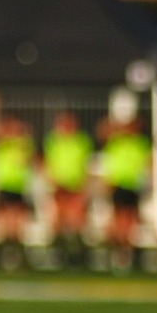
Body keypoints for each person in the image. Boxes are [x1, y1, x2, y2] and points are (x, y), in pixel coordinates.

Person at [43, 111, 94, 266]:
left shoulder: (82, 141)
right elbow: (48, 163)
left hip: (76, 187)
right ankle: (56, 254)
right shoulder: (52, 141)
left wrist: (83, 186)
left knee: (77, 221)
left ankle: (78, 255)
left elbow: (86, 165)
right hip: (59, 188)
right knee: (57, 221)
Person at [0, 117, 36, 269]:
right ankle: (1, 254)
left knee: (17, 224)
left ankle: (17, 255)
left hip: (18, 187)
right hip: (3, 186)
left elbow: (29, 154)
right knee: (1, 223)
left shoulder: (22, 145)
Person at [100, 117, 151, 270]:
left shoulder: (140, 145)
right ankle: (117, 249)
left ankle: (126, 251)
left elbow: (146, 163)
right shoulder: (116, 144)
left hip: (133, 186)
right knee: (119, 219)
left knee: (131, 220)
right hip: (119, 185)